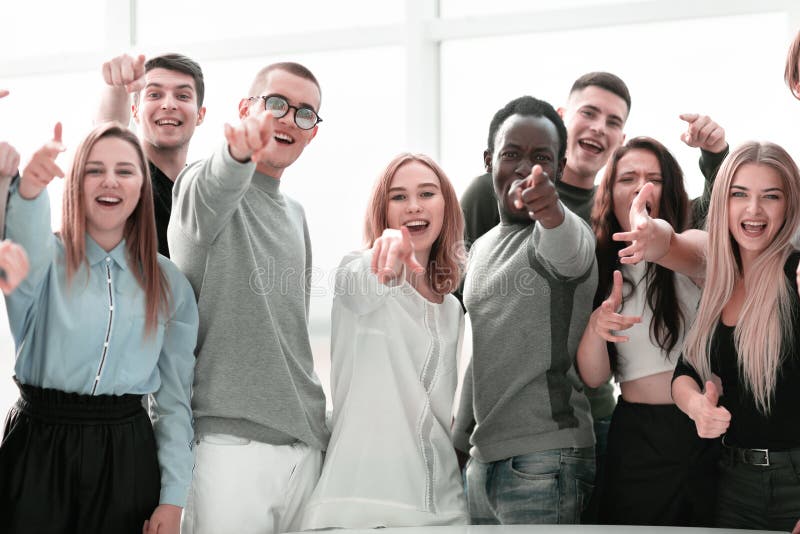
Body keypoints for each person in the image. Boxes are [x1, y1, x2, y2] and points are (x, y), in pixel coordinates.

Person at [459, 74, 728, 480]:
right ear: (564, 120)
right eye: (589, 113)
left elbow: (701, 226)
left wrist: (714, 156)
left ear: (621, 139)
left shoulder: (622, 214)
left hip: (593, 418)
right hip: (508, 434)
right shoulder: (494, 193)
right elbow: (481, 321)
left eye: (614, 121)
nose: (600, 127)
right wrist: (463, 435)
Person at [0, 122, 198, 534]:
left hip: (127, 458)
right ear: (75, 182)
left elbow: (174, 402)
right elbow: (22, 241)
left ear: (143, 186)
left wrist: (174, 497)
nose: (110, 181)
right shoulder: (43, 262)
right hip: (37, 451)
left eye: (125, 171)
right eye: (94, 170)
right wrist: (30, 191)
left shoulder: (169, 283)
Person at [168, 62, 329, 534]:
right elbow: (215, 185)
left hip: (303, 445)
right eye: (276, 103)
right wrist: (238, 150)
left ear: (312, 134)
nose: (287, 119)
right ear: (245, 109)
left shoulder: (295, 214)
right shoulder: (200, 185)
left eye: (305, 114)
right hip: (228, 445)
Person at [617, 141, 800, 533]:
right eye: (739, 195)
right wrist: (697, 408)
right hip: (733, 482)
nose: (753, 210)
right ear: (722, 203)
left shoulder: (795, 276)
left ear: (789, 204)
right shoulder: (719, 279)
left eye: (771, 196)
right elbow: (685, 372)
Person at [301, 153, 468, 528]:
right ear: (383, 211)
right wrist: (386, 256)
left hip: (445, 506)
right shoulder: (357, 274)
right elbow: (363, 282)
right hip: (360, 506)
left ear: (446, 207)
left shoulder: (452, 311)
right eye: (398, 197)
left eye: (427, 193)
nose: (413, 206)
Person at [452, 95, 597, 524]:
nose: (524, 168)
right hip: (484, 459)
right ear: (488, 160)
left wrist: (549, 208)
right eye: (511, 154)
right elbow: (484, 353)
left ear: (559, 167)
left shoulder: (567, 234)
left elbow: (566, 245)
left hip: (546, 458)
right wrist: (460, 445)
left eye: (541, 157)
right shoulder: (480, 249)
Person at [576, 137, 718, 526]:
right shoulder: (597, 265)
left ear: (670, 190)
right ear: (610, 190)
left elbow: (693, 253)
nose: (641, 187)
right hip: (637, 435)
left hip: (705, 427)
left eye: (653, 178)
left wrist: (656, 237)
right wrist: (596, 326)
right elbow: (594, 376)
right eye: (629, 178)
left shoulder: (691, 245)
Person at [97, 53, 206, 257]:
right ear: (135, 111)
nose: (169, 105)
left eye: (183, 96)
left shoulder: (203, 195)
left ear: (200, 115)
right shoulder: (126, 181)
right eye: (154, 95)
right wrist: (117, 85)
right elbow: (106, 135)